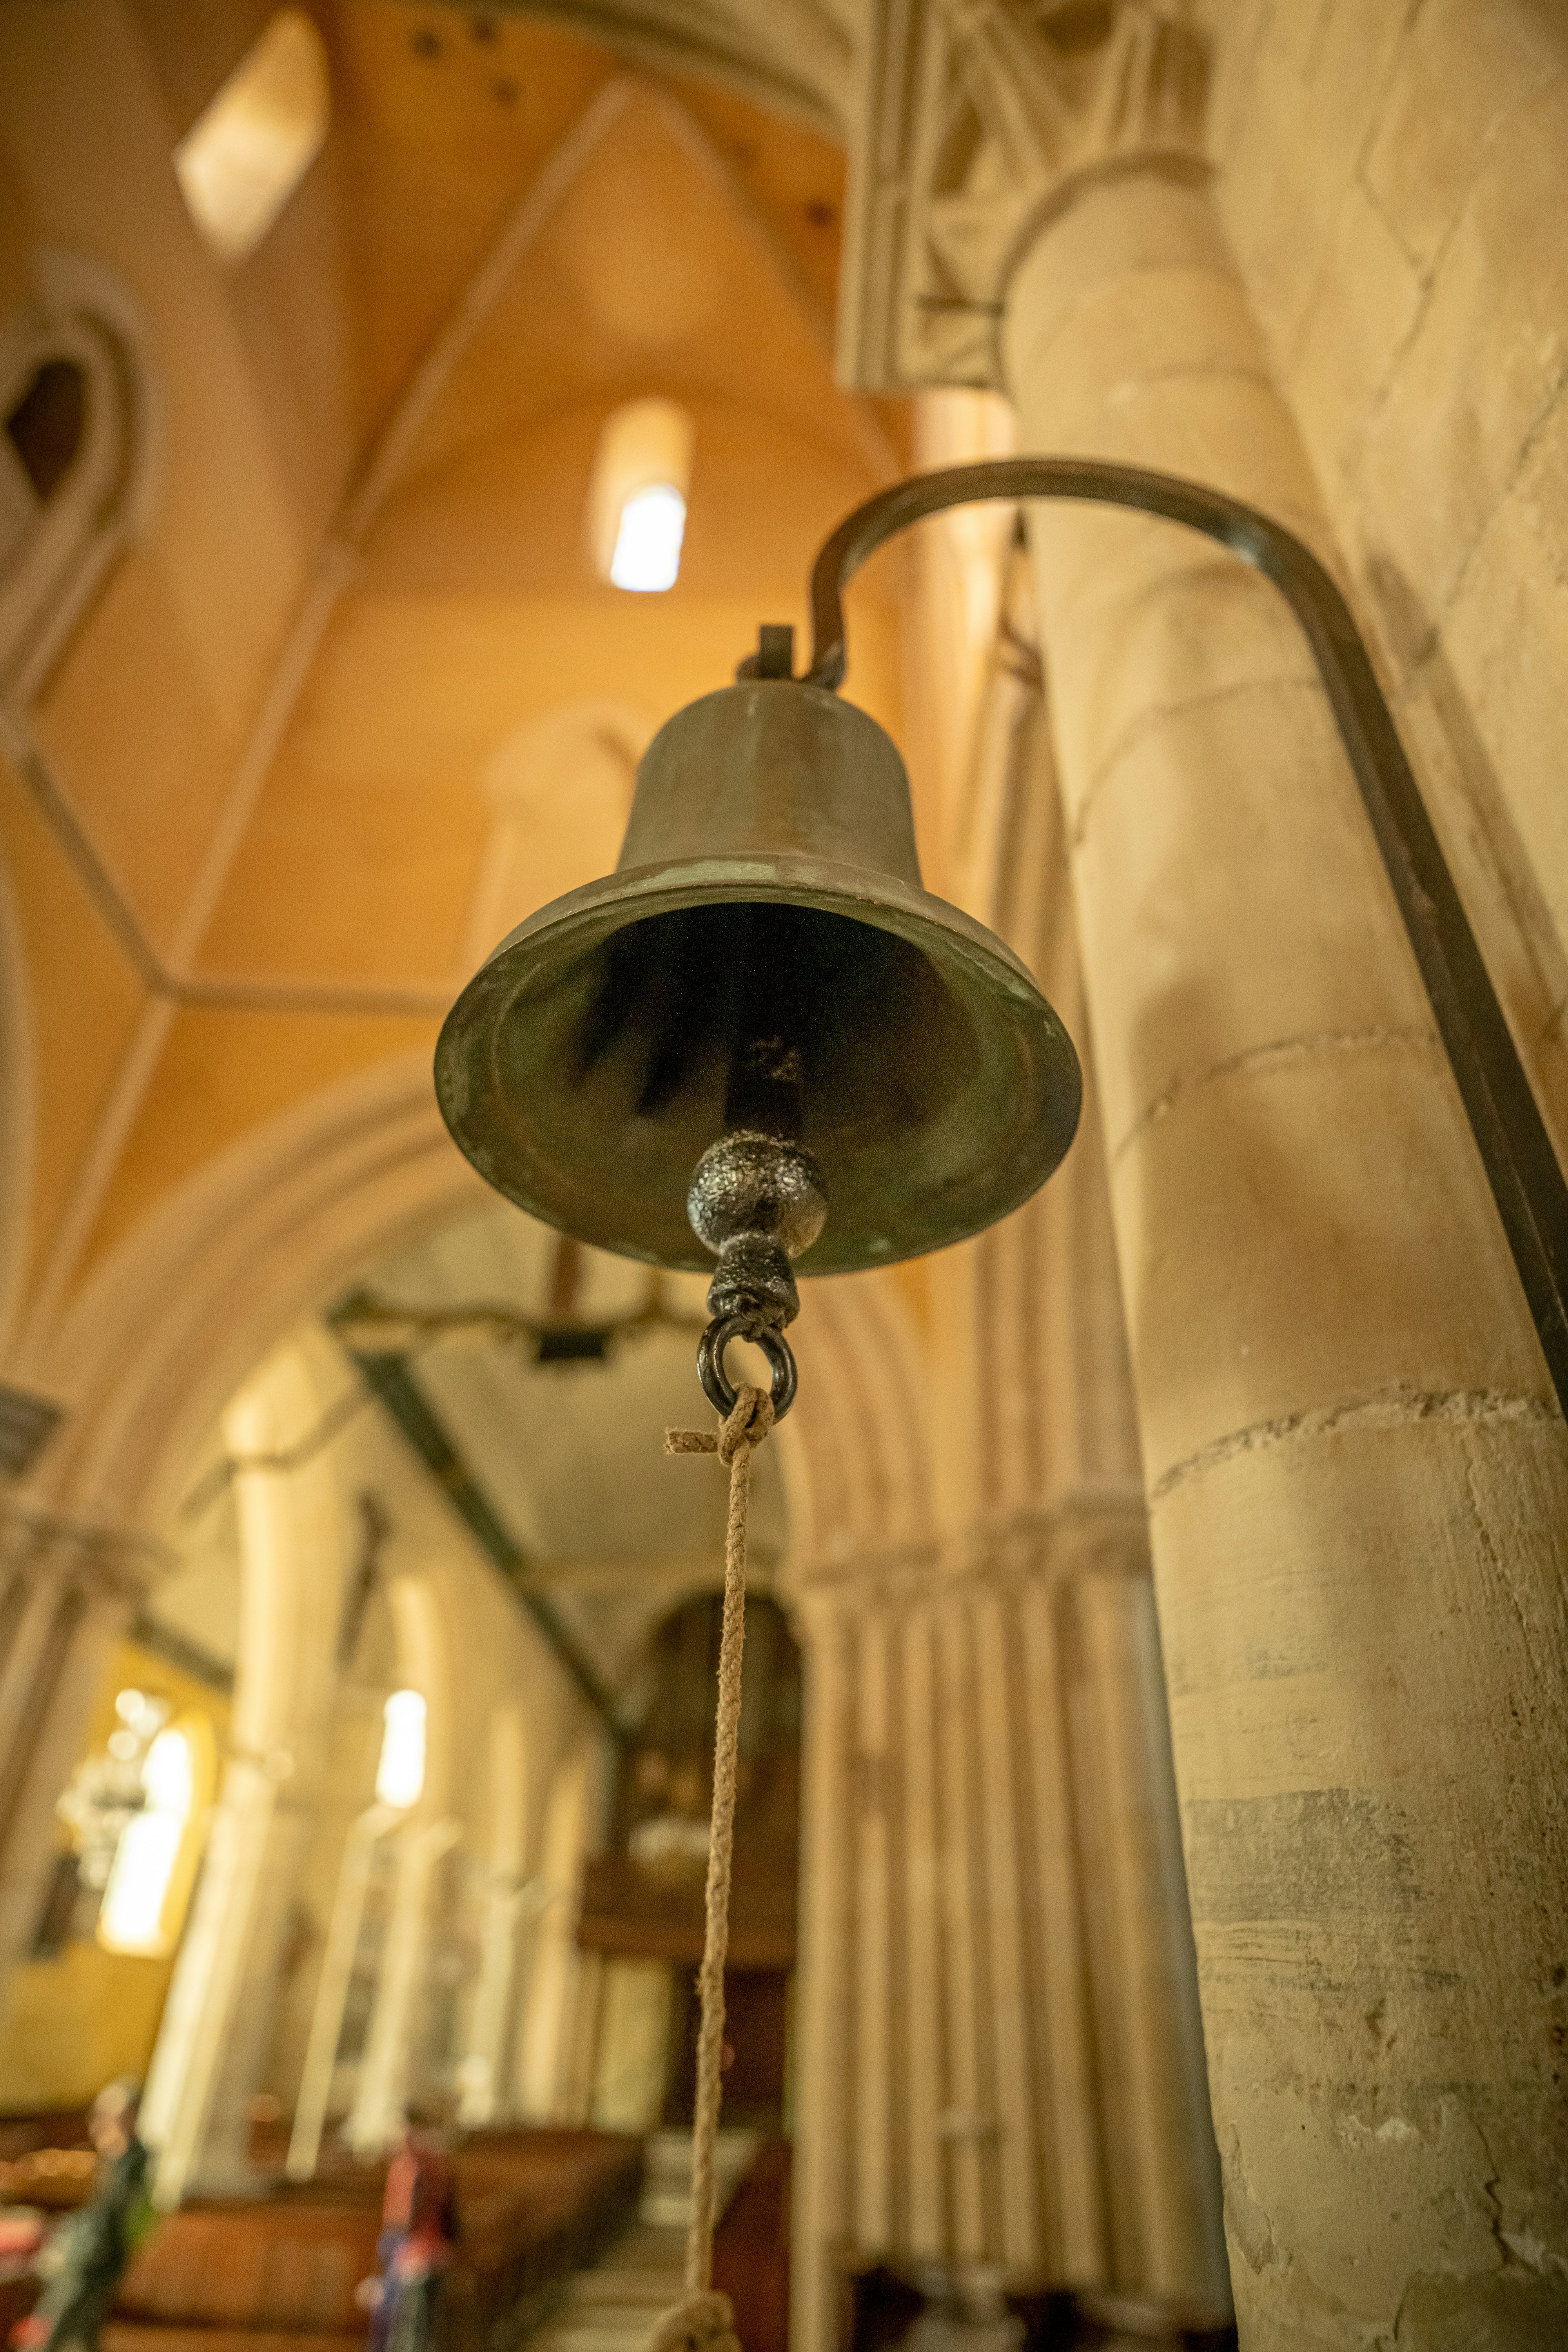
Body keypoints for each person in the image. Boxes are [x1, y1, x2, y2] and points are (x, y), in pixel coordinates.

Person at [13, 2081, 155, 2352]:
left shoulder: (134, 2165)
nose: (97, 2125)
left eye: (105, 2117)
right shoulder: (122, 2162)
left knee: (63, 2309)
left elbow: (110, 2229)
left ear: (131, 2118)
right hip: (99, 2262)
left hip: (101, 2268)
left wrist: (69, 2248)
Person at [356, 2130, 455, 2352]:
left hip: (415, 2249)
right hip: (398, 2244)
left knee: (409, 2319)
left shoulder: (427, 2166)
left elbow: (435, 2214)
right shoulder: (403, 2165)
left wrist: (420, 2250)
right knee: (388, 2315)